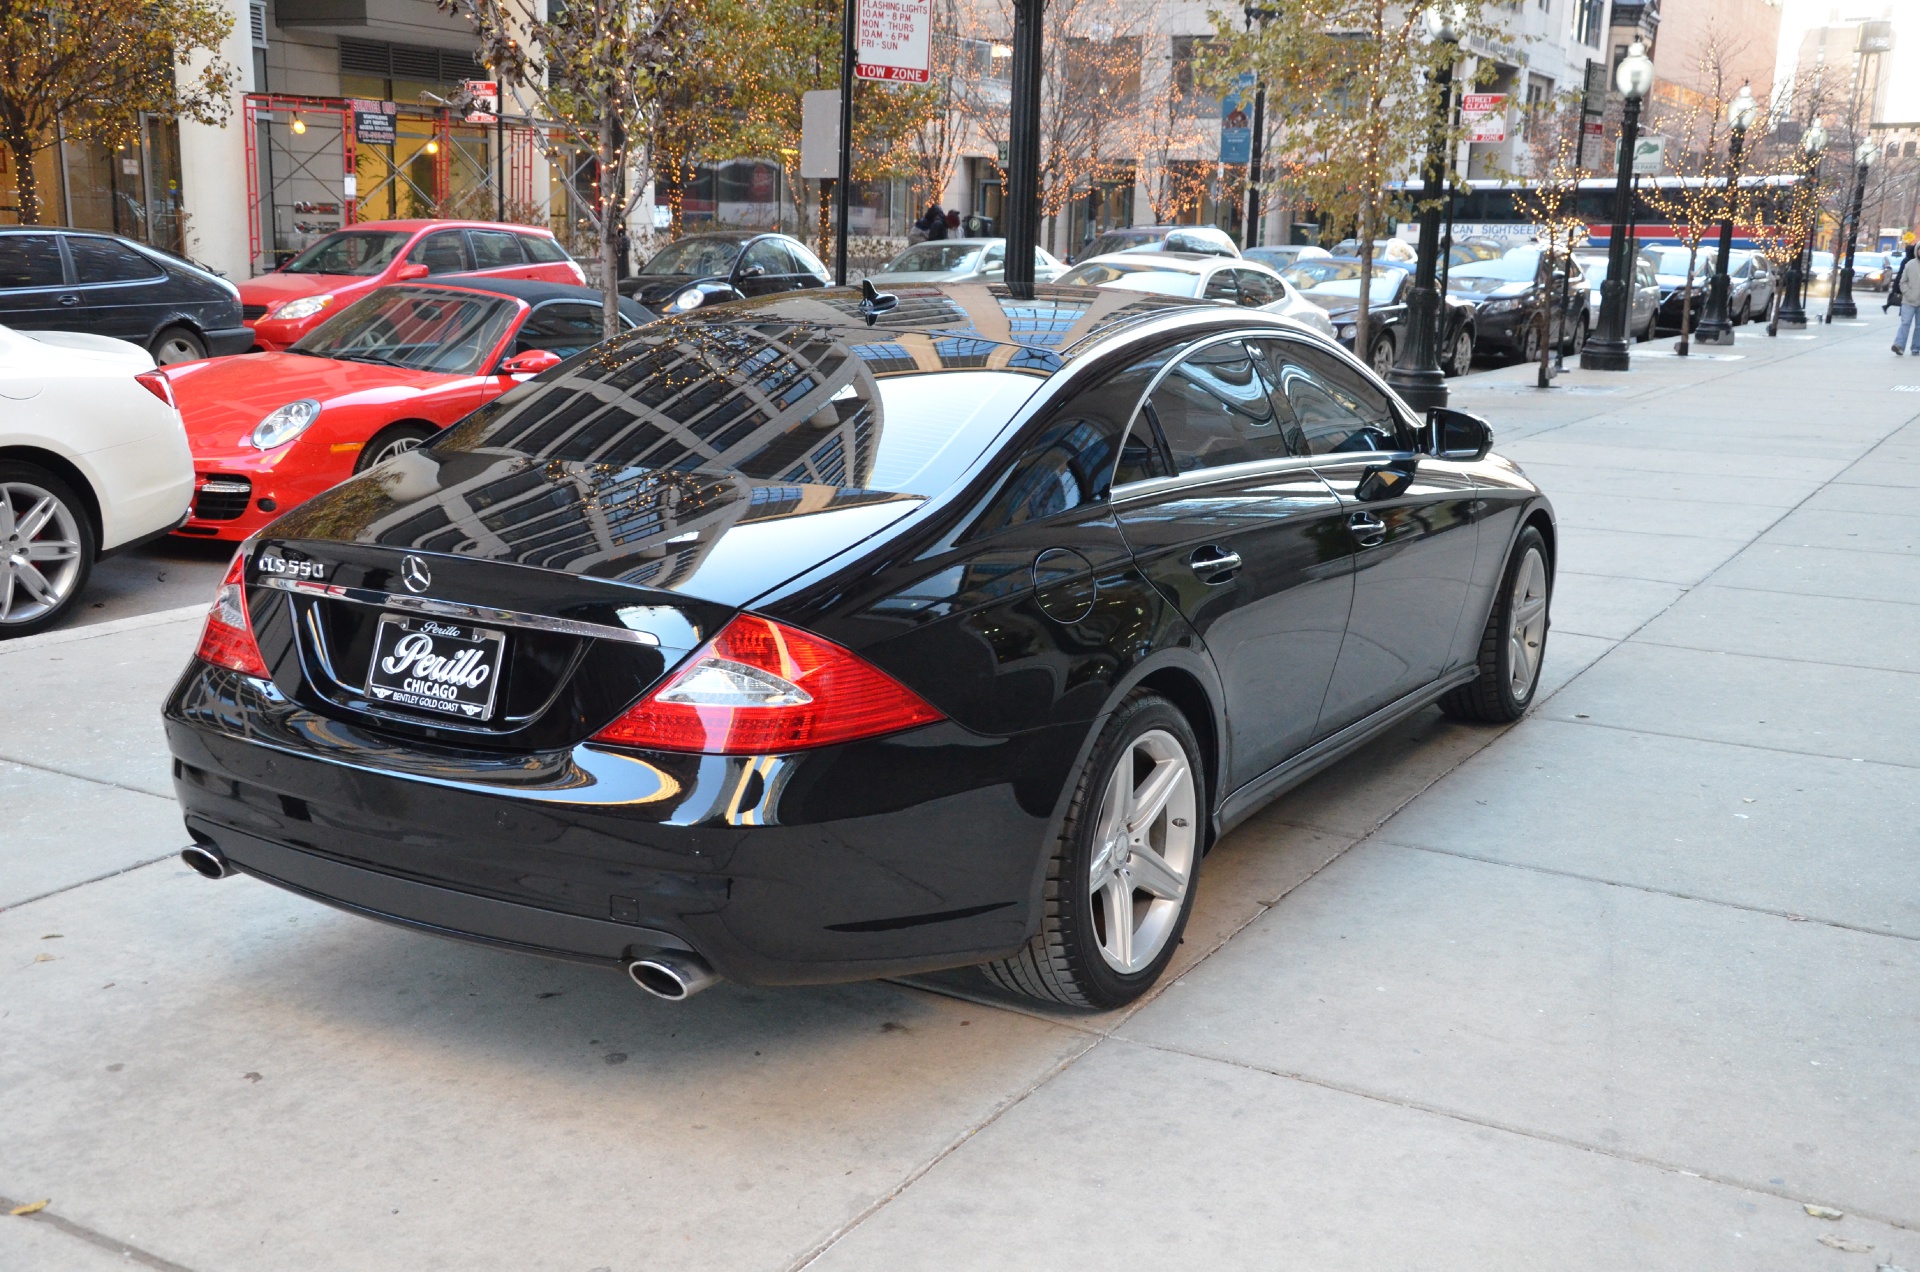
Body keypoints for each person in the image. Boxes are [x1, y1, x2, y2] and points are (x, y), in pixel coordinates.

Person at [1895, 247, 1920, 355]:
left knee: (1919, 326)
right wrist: (1908, 293)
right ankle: (1899, 345)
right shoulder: (1910, 264)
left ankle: (1916, 346)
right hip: (1909, 300)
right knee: (1905, 323)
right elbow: (1903, 281)